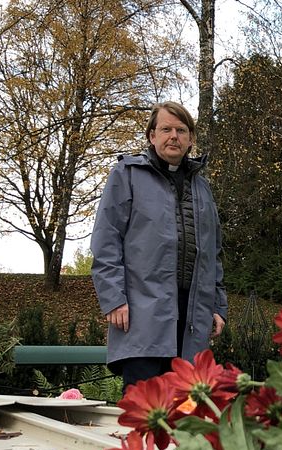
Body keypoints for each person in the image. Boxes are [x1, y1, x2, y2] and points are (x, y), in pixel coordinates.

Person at [90, 101, 227, 388]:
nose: (173, 136)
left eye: (181, 130)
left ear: (190, 139)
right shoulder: (127, 174)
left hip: (192, 317)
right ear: (152, 136)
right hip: (142, 314)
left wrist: (217, 305)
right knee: (145, 414)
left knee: (187, 415)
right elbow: (106, 240)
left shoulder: (202, 188)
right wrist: (114, 298)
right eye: (166, 129)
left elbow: (213, 254)